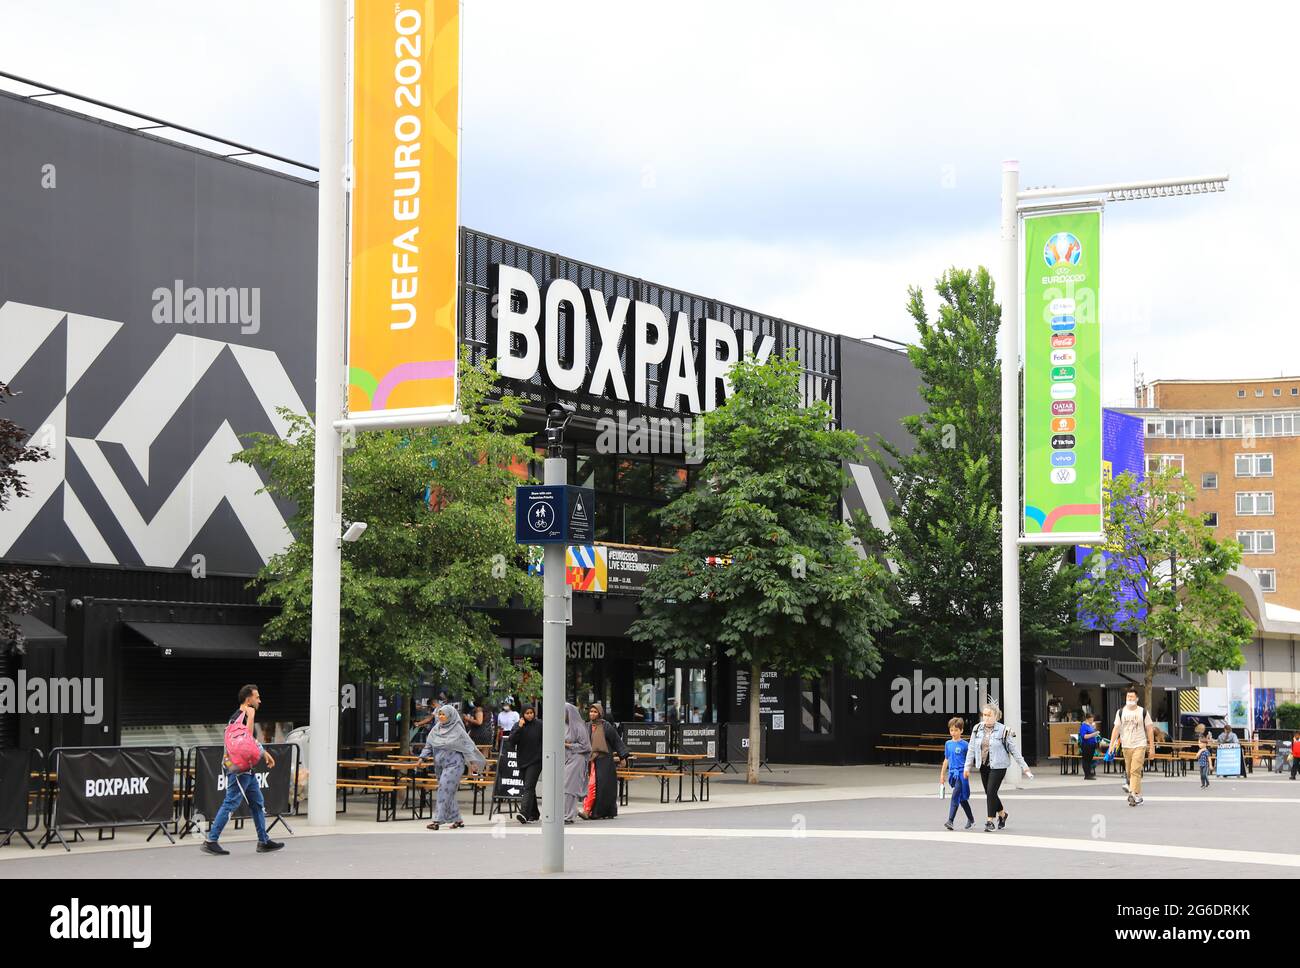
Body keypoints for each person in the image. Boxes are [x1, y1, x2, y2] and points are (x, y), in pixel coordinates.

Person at [202, 685, 284, 855]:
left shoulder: (237, 718)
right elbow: (245, 743)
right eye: (257, 697)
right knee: (231, 802)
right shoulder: (241, 718)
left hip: (242, 767)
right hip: (239, 768)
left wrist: (263, 752)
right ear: (248, 699)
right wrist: (251, 719)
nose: (260, 700)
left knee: (257, 803)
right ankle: (211, 840)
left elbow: (248, 741)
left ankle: (263, 841)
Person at [963, 703, 1032, 832]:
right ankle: (1003, 814)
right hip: (983, 765)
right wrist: (967, 767)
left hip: (999, 766)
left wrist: (1024, 766)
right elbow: (971, 749)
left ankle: (990, 821)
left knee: (991, 792)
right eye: (984, 715)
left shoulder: (1004, 730)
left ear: (996, 716)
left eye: (989, 715)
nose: (986, 718)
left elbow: (1014, 750)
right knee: (990, 793)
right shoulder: (977, 729)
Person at [419, 703, 486, 830]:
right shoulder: (436, 729)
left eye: (444, 714)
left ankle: (437, 820)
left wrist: (472, 763)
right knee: (448, 792)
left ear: (451, 715)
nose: (441, 717)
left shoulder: (458, 730)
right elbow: (429, 745)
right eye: (440, 714)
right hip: (439, 765)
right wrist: (421, 758)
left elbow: (468, 746)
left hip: (454, 765)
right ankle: (458, 820)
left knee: (443, 789)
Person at [580, 703, 629, 820]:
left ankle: (590, 811)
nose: (592, 714)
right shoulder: (586, 726)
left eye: (595, 712)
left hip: (604, 761)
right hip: (590, 760)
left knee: (599, 786)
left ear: (600, 713)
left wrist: (623, 757)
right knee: (592, 785)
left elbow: (616, 741)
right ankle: (591, 810)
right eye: (591, 711)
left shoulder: (606, 726)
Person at [1109, 687, 1156, 805]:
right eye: (1128, 697)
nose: (1130, 699)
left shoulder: (1143, 712)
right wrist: (1111, 745)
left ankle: (1132, 793)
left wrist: (1152, 747)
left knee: (1135, 770)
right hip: (1126, 745)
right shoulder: (1120, 712)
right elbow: (1116, 729)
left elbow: (1149, 729)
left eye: (1132, 697)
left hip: (1140, 744)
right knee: (1130, 772)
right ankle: (1138, 796)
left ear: (1137, 698)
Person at [938, 716, 974, 830]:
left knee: (955, 795)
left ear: (961, 730)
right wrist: (942, 775)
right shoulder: (948, 744)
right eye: (951, 730)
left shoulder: (965, 745)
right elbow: (946, 759)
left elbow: (970, 759)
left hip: (961, 774)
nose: (953, 732)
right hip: (952, 773)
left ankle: (950, 820)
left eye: (956, 730)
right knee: (962, 798)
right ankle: (971, 819)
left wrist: (967, 770)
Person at [510, 706, 542, 824]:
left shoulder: (539, 725)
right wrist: (519, 727)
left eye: (531, 713)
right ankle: (534, 813)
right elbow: (512, 740)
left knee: (528, 786)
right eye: (527, 713)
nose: (529, 715)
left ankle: (524, 813)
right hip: (523, 761)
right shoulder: (518, 725)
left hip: (536, 761)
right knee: (530, 787)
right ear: (523, 714)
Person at [563, 703, 591, 824]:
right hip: (567, 759)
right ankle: (568, 813)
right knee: (565, 787)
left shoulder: (579, 726)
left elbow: (586, 746)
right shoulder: (564, 726)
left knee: (569, 788)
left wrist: (568, 745)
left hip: (577, 759)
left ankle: (568, 815)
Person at [1077, 713, 1100, 780]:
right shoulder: (1083, 726)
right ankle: (1087, 775)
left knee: (1089, 760)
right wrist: (1094, 734)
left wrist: (1094, 729)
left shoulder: (1090, 725)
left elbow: (1092, 732)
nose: (1092, 720)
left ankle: (1089, 773)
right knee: (1086, 760)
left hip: (1092, 745)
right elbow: (1084, 736)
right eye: (1091, 719)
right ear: (1088, 719)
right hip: (1086, 745)